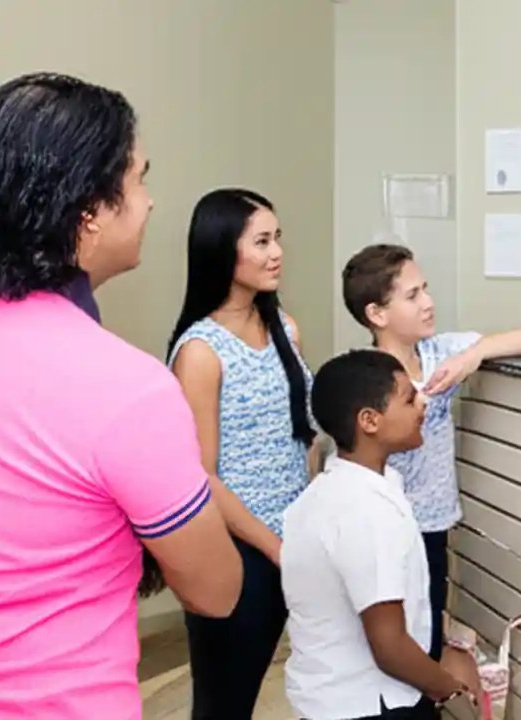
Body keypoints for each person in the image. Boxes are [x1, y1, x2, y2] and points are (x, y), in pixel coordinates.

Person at [0, 73, 241, 719]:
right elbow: (216, 589)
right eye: (139, 180)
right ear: (89, 213)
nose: (150, 203)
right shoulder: (123, 387)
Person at [340, 243, 521, 697]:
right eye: (412, 296)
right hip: (385, 534)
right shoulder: (365, 379)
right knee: (388, 643)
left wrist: (473, 356)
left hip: (433, 528)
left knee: (427, 635)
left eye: (425, 289)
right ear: (377, 313)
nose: (428, 302)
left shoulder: (441, 354)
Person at [167, 188, 315, 718]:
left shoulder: (285, 329)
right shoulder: (201, 352)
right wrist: (273, 549)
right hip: (236, 552)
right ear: (222, 251)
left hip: (290, 541)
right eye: (262, 241)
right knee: (223, 704)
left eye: (278, 239)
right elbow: (201, 477)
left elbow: (302, 434)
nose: (277, 252)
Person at [283, 349, 481, 719]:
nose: (423, 402)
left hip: (328, 699)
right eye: (409, 398)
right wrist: (451, 690)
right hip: (368, 704)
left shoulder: (334, 491)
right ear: (369, 421)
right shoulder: (364, 512)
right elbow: (389, 647)